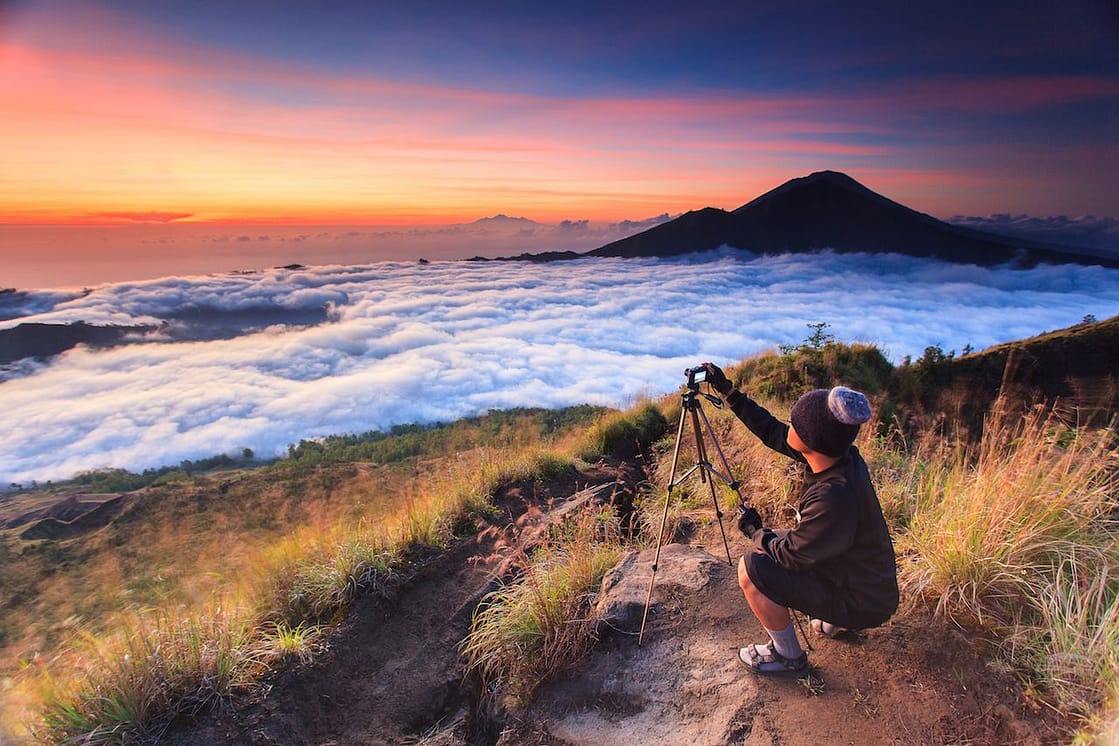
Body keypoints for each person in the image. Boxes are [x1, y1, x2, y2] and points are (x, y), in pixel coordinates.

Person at [699, 363, 899, 676]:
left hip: (864, 602)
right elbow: (772, 432)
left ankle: (787, 656)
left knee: (751, 568)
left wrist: (755, 532)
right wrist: (730, 392)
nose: (787, 427)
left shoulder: (834, 497)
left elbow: (792, 555)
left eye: (794, 424)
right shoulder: (839, 457)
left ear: (810, 440)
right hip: (868, 582)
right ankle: (832, 620)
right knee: (779, 540)